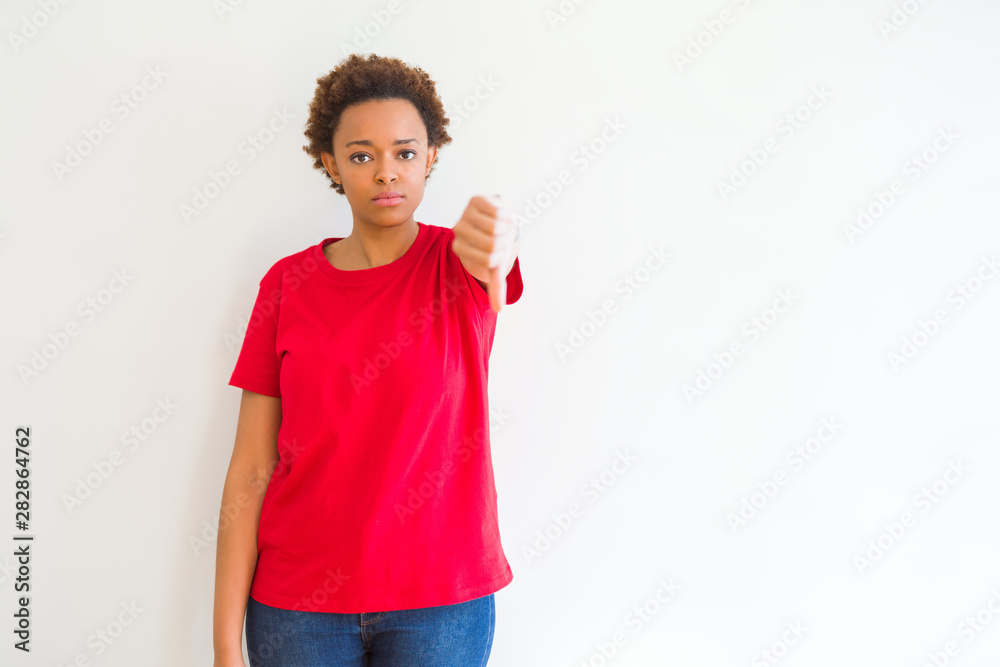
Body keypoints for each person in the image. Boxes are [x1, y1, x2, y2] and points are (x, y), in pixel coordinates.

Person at [212, 53, 523, 667]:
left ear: (432, 156)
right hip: (296, 608)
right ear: (331, 164)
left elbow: (495, 266)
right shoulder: (286, 284)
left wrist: (499, 240)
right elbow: (251, 465)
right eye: (362, 155)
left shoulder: (457, 265)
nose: (386, 173)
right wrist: (224, 645)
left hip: (441, 604)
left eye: (405, 153)